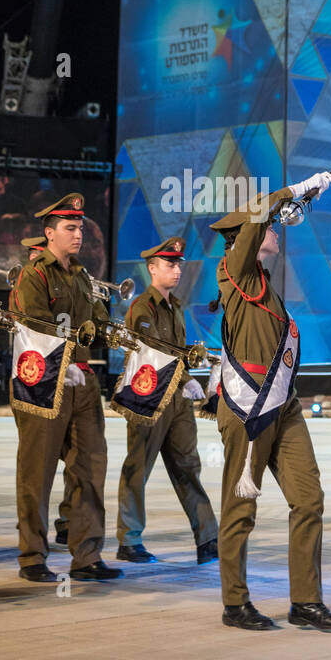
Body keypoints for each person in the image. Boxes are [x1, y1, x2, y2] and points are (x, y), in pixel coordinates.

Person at [210, 173, 331, 632]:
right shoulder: (236, 270)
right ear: (242, 241)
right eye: (269, 227)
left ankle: (305, 602)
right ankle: (235, 603)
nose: (275, 230)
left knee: (309, 498)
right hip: (248, 406)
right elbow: (259, 211)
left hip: (283, 403)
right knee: (241, 506)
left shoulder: (261, 283)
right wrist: (299, 189)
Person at [10, 192, 121, 583]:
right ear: (49, 233)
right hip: (43, 381)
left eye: (81, 228)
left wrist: (119, 335)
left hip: (83, 382)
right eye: (70, 228)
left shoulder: (82, 276)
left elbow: (98, 323)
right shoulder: (34, 275)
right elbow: (32, 326)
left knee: (90, 469)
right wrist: (62, 362)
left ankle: (87, 556)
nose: (79, 235)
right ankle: (32, 557)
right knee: (36, 472)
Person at [115, 236, 218, 564]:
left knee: (188, 467)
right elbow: (152, 351)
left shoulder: (176, 307)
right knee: (138, 468)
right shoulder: (142, 307)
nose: (177, 270)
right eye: (170, 264)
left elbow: (177, 352)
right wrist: (187, 378)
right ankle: (129, 541)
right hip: (148, 397)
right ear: (152, 269)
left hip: (177, 401)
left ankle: (209, 539)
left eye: (179, 264)